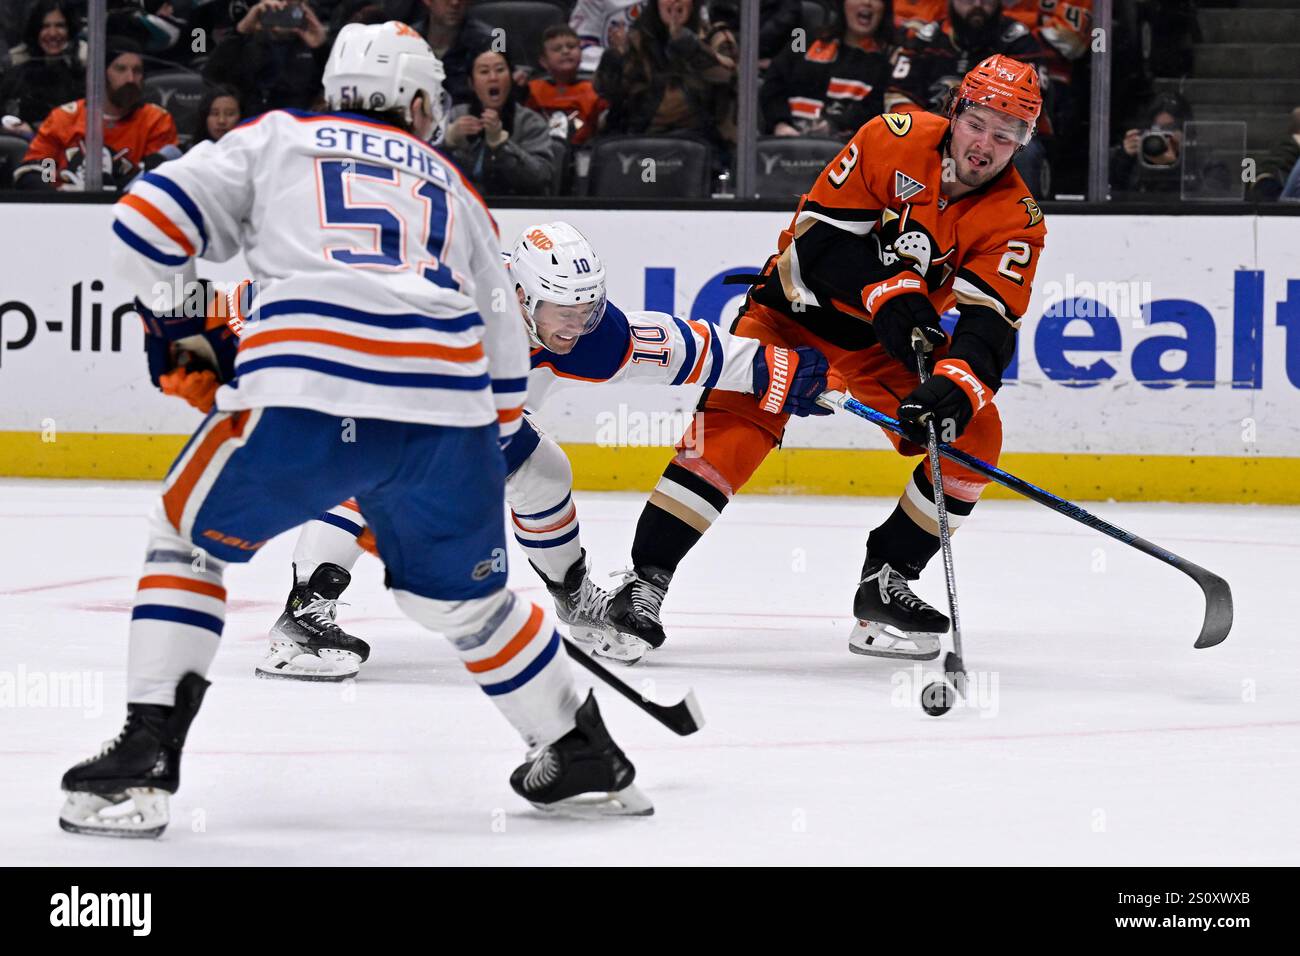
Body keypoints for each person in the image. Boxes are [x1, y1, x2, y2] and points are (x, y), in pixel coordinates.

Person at [58, 21, 651, 838]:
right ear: (416, 100)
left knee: (185, 537)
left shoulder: (275, 141)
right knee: (468, 604)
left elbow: (141, 232)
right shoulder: (455, 185)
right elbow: (505, 361)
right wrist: (465, 453)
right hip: (447, 407)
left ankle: (147, 756)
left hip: (308, 386)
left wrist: (178, 330)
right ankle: (581, 751)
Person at [592, 56, 1047, 662]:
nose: (986, 145)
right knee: (728, 440)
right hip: (791, 319)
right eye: (979, 123)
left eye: (1006, 134)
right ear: (956, 111)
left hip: (883, 349)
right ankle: (645, 581)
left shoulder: (1018, 217)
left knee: (975, 433)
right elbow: (818, 244)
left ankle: (886, 580)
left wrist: (956, 389)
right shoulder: (892, 138)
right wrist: (892, 293)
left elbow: (990, 328)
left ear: (1023, 142)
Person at [251, 220, 829, 676]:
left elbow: (674, 349)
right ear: (524, 297)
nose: (576, 324)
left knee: (543, 474)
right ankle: (301, 620)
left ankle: (576, 600)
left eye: (587, 308)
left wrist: (771, 368)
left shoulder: (583, 328)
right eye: (564, 310)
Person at [887, 0, 1052, 197]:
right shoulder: (927, 39)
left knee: (1027, 153)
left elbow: (1033, 110)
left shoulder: (1018, 39)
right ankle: (906, 216)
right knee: (900, 137)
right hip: (934, 132)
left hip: (999, 134)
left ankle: (1016, 222)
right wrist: (935, 131)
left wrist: (981, 129)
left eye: (986, 0)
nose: (977, 5)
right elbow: (898, 96)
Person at [12, 37, 178, 191]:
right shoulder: (64, 118)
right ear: (101, 74)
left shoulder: (156, 120)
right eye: (120, 69)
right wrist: (56, 189)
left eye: (137, 71)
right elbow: (42, 165)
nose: (130, 79)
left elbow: (157, 181)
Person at [598, 0, 736, 151]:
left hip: (702, 143)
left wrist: (685, 41)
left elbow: (728, 75)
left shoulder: (715, 36)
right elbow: (606, 91)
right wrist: (614, 59)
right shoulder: (635, 40)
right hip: (642, 142)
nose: (674, 2)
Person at [761, 0, 896, 141]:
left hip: (848, 152)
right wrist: (780, 124)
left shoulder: (890, 60)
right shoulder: (803, 41)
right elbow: (773, 84)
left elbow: (876, 110)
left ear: (884, 9)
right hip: (786, 145)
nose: (867, 2)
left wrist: (836, 124)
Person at [443, 47, 555, 196]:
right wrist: (447, 140)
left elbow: (541, 178)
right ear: (471, 83)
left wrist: (502, 145)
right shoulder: (454, 116)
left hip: (517, 208)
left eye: (500, 70)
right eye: (484, 72)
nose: (493, 77)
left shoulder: (531, 122)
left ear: (510, 77)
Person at [203, 0, 331, 114]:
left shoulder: (315, 48)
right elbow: (212, 76)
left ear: (304, 5)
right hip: (251, 125)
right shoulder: (244, 44)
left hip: (298, 128)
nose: (283, 6)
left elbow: (335, 88)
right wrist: (240, 33)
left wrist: (321, 48)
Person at [0, 0, 85, 136]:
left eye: (60, 25)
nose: (52, 33)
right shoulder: (16, 75)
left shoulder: (81, 75)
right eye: (45, 26)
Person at [526, 24, 608, 147]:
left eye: (571, 47)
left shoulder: (593, 89)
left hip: (583, 151)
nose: (566, 51)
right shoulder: (532, 89)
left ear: (581, 55)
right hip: (541, 150)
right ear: (543, 61)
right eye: (557, 49)